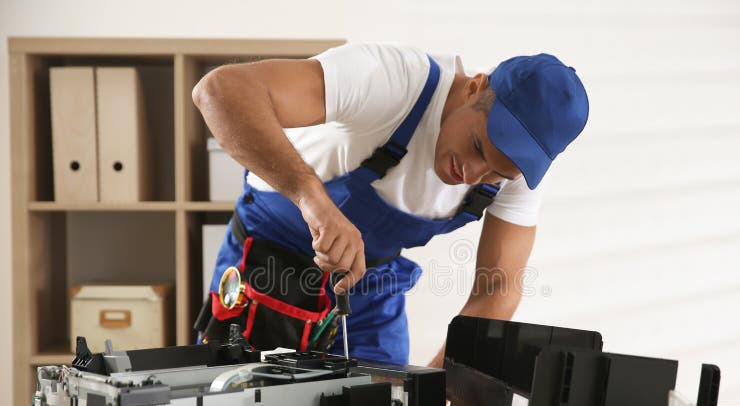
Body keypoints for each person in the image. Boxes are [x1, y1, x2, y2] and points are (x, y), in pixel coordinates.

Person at [192, 42, 588, 367]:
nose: (472, 174)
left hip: (369, 293)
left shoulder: (519, 168)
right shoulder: (392, 80)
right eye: (477, 147)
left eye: (495, 174)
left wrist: (437, 387)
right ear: (475, 88)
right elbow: (220, 90)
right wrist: (314, 201)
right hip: (268, 265)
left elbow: (498, 289)